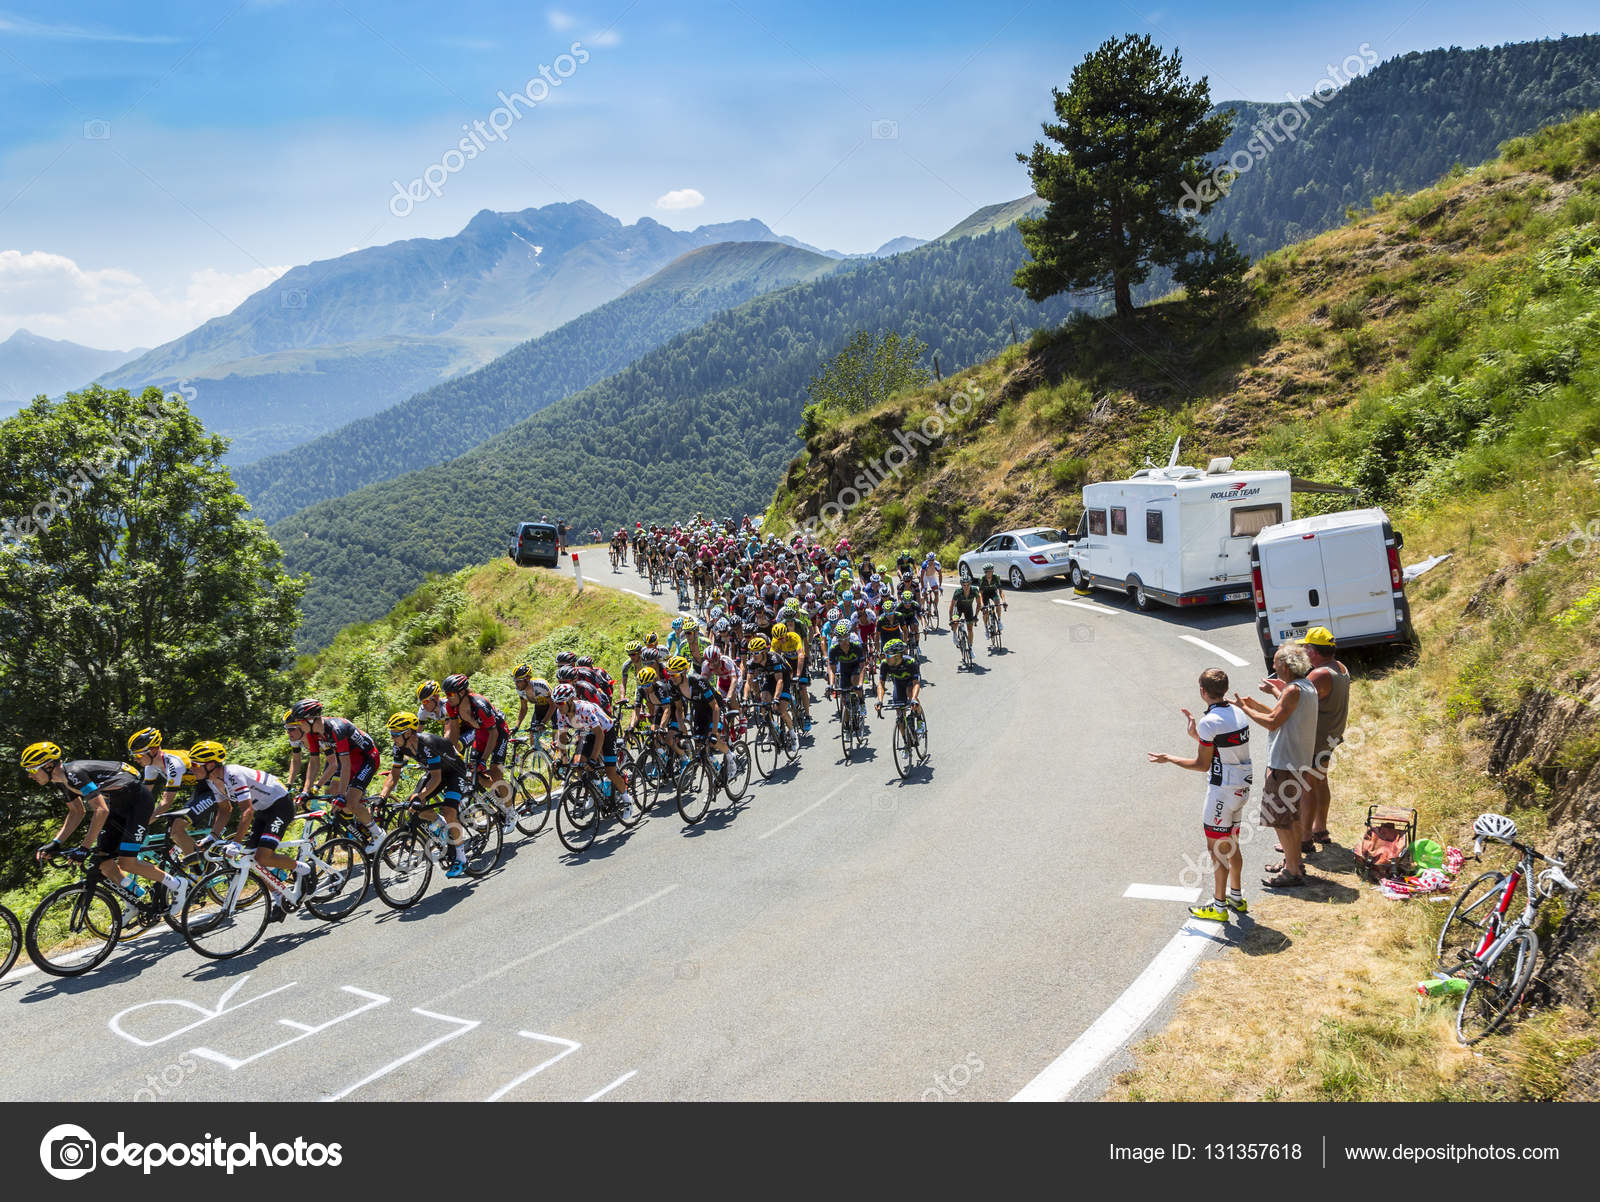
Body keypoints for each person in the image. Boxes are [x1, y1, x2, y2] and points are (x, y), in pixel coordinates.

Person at [23, 741, 190, 917]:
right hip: (118, 806)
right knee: (103, 862)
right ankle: (134, 900)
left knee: (127, 862)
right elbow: (76, 811)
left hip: (138, 803)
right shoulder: (62, 780)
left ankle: (177, 884)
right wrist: (56, 842)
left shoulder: (74, 774)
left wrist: (84, 847)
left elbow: (101, 810)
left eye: (32, 770)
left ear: (49, 766)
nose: (30, 775)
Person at [1148, 670, 1252, 921]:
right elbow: (1223, 746)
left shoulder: (1210, 722)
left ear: (1203, 691)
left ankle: (1218, 907)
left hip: (1221, 792)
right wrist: (1196, 734)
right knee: (1232, 843)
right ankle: (1236, 897)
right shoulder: (1236, 712)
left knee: (1217, 848)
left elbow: (1202, 764)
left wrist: (1169, 758)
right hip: (1241, 787)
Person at [186, 740, 304, 919]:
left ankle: (304, 869)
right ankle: (280, 897)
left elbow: (246, 811)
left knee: (263, 856)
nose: (192, 768)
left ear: (210, 764)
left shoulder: (232, 775)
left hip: (280, 805)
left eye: (195, 764)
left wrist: (236, 843)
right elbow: (225, 810)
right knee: (251, 858)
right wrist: (212, 836)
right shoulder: (212, 781)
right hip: (263, 810)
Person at [1234, 643, 1318, 888]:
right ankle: (1294, 863)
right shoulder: (1306, 686)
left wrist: (1246, 709)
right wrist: (1259, 703)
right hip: (1298, 760)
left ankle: (1292, 870)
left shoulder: (1293, 690)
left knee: (1281, 819)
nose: (1273, 665)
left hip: (1284, 762)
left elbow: (1272, 722)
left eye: (1276, 662)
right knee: (1290, 817)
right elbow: (1281, 715)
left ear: (1286, 665)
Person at [283, 698, 387, 853]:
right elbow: (314, 763)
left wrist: (340, 795)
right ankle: (359, 824)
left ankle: (379, 835)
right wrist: (306, 790)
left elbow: (344, 764)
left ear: (311, 720)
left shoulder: (336, 729)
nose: (298, 725)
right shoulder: (311, 733)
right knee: (341, 798)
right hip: (350, 759)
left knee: (350, 801)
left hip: (367, 758)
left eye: (300, 722)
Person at [381, 712, 471, 878]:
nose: (392, 738)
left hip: (454, 772)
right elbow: (394, 774)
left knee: (449, 811)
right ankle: (442, 825)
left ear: (408, 733)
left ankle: (461, 858)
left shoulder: (427, 743)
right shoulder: (399, 747)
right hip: (435, 772)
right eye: (391, 734)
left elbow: (436, 778)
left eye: (395, 734)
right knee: (413, 806)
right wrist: (382, 796)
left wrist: (420, 796)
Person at [1301, 626, 1349, 848]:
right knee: (1320, 781)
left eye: (1306, 647)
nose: (1303, 651)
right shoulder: (1340, 667)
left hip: (1316, 738)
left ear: (1313, 650)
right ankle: (1320, 829)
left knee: (1306, 786)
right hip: (1331, 735)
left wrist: (1277, 690)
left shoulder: (1319, 674)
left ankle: (1304, 837)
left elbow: (1297, 703)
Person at [874, 639, 924, 730]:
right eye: (884, 654)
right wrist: (880, 701)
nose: (885, 657)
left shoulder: (910, 662)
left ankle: (920, 719)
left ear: (897, 656)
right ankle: (905, 740)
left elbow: (916, 683)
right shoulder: (885, 664)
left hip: (911, 682)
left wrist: (913, 699)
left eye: (888, 655)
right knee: (899, 714)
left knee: (910, 693)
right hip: (899, 683)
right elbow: (881, 684)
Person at [947, 574, 980, 655]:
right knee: (955, 621)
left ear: (970, 583)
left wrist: (976, 616)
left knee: (970, 629)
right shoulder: (958, 592)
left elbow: (979, 604)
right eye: (964, 585)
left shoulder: (975, 590)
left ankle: (970, 648)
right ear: (961, 585)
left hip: (969, 609)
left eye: (968, 584)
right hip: (958, 609)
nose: (966, 586)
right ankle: (955, 634)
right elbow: (951, 606)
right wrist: (950, 619)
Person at [977, 563, 1007, 642]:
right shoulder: (982, 579)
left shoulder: (996, 577)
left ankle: (999, 621)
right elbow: (980, 593)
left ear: (993, 571)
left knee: (998, 603)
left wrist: (1004, 601)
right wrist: (982, 605)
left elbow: (1000, 590)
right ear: (985, 572)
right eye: (987, 572)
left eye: (991, 571)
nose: (989, 573)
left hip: (993, 592)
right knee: (985, 612)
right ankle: (986, 628)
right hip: (985, 594)